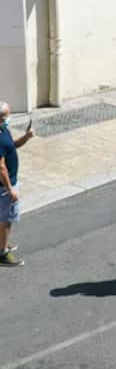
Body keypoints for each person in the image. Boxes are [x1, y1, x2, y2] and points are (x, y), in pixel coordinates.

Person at [0, 101, 33, 267]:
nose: (9, 118)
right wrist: (10, 189)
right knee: (6, 219)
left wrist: (26, 137)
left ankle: (2, 243)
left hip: (6, 185)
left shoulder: (3, 129)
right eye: (7, 115)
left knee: (2, 217)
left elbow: (12, 146)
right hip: (5, 187)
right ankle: (3, 253)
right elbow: (1, 167)